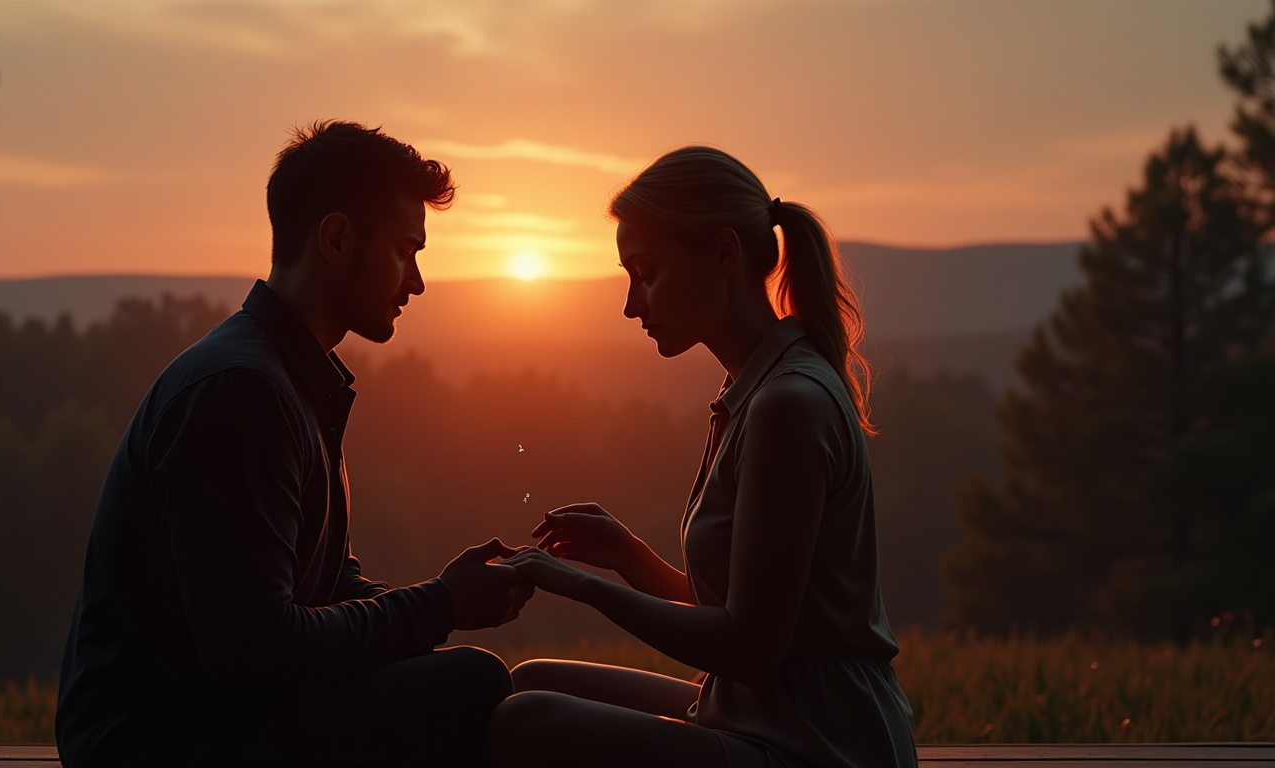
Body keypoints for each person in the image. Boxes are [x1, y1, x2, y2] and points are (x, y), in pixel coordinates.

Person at [56, 121, 533, 768]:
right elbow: (255, 646)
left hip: (215, 714)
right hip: (156, 740)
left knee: (520, 688)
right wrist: (440, 605)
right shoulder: (242, 392)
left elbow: (324, 583)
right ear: (336, 239)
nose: (416, 282)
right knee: (472, 686)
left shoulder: (286, 377)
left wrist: (449, 596)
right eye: (404, 251)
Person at [489, 146, 918, 768]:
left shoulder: (786, 405)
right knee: (528, 683)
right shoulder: (752, 391)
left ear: (723, 253)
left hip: (821, 742)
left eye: (646, 272)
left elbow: (748, 646)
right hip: (762, 711)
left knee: (525, 722)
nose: (632, 304)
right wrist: (627, 558)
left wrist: (584, 587)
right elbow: (750, 606)